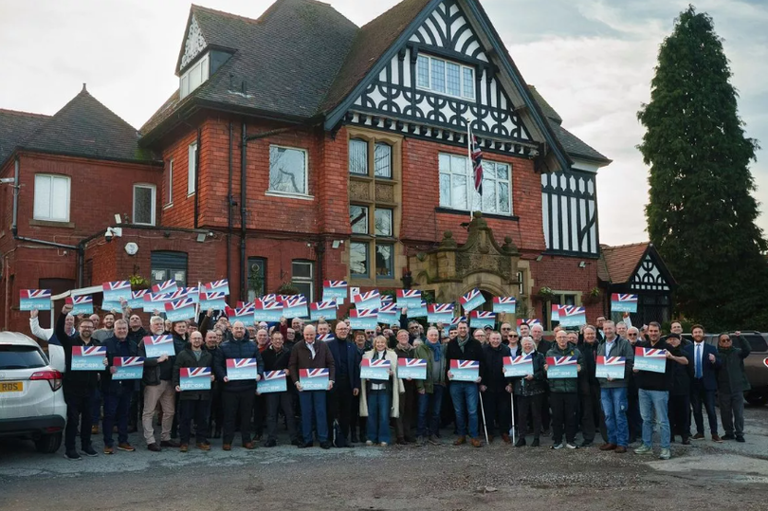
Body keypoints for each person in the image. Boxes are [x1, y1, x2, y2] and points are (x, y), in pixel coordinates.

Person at [56, 304, 104, 460]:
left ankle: (86, 445)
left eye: (90, 326)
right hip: (72, 388)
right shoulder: (71, 342)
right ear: (79, 327)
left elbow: (101, 366)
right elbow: (58, 332)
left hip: (90, 388)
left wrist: (104, 364)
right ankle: (70, 449)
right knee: (73, 420)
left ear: (93, 328)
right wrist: (63, 314)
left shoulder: (97, 345)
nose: (87, 329)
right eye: (84, 326)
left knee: (89, 419)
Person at [634, 322, 684, 460]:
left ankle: (665, 449)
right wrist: (635, 368)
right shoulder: (642, 347)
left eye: (656, 331)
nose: (653, 333)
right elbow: (637, 365)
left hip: (660, 390)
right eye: (651, 331)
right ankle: (647, 446)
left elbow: (685, 360)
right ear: (647, 332)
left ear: (660, 332)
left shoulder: (667, 347)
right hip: (643, 389)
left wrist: (672, 357)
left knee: (662, 421)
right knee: (646, 419)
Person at [213, 320, 264, 451]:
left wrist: (259, 373)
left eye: (241, 328)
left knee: (246, 416)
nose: (239, 330)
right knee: (229, 416)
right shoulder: (223, 346)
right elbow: (217, 364)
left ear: (244, 330)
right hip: (229, 388)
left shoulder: (252, 346)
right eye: (237, 328)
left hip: (248, 388)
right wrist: (222, 375)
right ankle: (227, 441)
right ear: (232, 330)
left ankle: (246, 440)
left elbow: (260, 362)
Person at [289, 324, 335, 449]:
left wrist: (331, 379)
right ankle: (307, 439)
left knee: (321, 412)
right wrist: (296, 381)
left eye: (311, 334)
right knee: (306, 412)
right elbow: (292, 365)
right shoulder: (297, 347)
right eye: (307, 335)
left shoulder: (323, 345)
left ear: (316, 334)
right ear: (303, 334)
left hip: (320, 385)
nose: (309, 337)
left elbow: (331, 363)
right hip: (304, 386)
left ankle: (323, 439)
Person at [138, 316, 179, 452]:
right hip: (153, 381)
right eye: (156, 324)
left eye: (161, 324)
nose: (159, 326)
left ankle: (165, 437)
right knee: (149, 411)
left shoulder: (169, 339)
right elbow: (140, 360)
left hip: (168, 381)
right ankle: (150, 440)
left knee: (169, 411)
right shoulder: (145, 341)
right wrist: (157, 360)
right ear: (150, 326)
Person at [596, 321, 634, 453]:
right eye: (605, 329)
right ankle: (611, 441)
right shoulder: (601, 344)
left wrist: (617, 376)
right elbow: (599, 365)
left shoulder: (624, 343)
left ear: (615, 329)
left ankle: (622, 442)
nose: (607, 331)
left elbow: (630, 363)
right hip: (604, 386)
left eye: (610, 328)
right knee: (608, 415)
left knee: (619, 414)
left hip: (619, 385)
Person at [101, 319, 138, 454]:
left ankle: (123, 441)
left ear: (127, 330)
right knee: (109, 415)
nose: (122, 331)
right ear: (114, 330)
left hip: (127, 386)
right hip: (111, 386)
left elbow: (138, 362)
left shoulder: (133, 345)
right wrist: (107, 369)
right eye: (119, 329)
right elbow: (99, 365)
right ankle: (108, 443)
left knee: (124, 415)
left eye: (124, 329)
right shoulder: (105, 344)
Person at [445, 320, 484, 447]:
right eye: (460, 328)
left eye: (464, 328)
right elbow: (448, 362)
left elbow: (482, 362)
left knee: (472, 410)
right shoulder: (451, 344)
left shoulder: (476, 343)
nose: (462, 330)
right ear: (457, 329)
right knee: (458, 410)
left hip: (471, 383)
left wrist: (480, 376)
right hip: (455, 382)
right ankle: (461, 435)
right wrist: (448, 373)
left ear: (468, 329)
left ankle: (474, 436)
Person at [173, 330, 213, 451]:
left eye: (199, 338)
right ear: (190, 340)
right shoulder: (183, 354)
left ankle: (200, 441)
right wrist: (176, 384)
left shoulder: (208, 355)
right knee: (185, 418)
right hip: (187, 392)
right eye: (194, 338)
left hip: (203, 393)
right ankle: (184, 442)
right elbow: (176, 369)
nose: (196, 340)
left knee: (202, 418)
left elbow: (212, 370)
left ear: (202, 340)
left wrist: (213, 376)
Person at [359, 335, 401, 446]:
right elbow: (362, 368)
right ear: (374, 344)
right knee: (371, 414)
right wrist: (365, 374)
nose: (380, 345)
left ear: (385, 343)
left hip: (384, 389)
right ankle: (371, 437)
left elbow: (396, 371)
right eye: (378, 343)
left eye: (382, 342)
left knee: (384, 415)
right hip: (372, 389)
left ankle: (384, 438)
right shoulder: (368, 355)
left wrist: (392, 373)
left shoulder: (392, 355)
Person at [545, 330, 583, 449]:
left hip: (571, 389)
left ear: (568, 339)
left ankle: (570, 441)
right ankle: (557, 441)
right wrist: (546, 368)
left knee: (571, 417)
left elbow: (583, 365)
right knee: (556, 417)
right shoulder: (550, 353)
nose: (562, 339)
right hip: (556, 390)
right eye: (559, 337)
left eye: (564, 337)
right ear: (555, 338)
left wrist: (580, 368)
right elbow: (545, 369)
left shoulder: (576, 351)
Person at [684, 324, 722, 442]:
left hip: (707, 383)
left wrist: (714, 360)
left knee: (710, 409)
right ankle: (700, 432)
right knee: (696, 409)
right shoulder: (687, 349)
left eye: (699, 332)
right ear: (692, 335)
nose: (697, 334)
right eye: (695, 332)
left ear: (703, 334)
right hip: (694, 383)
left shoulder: (711, 348)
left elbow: (719, 365)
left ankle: (714, 433)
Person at [261, 330, 299, 447]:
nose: (278, 341)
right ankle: (271, 438)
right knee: (271, 414)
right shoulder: (264, 354)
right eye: (275, 339)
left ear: (283, 341)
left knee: (289, 413)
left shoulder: (289, 353)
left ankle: (294, 438)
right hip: (270, 388)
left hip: (285, 388)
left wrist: (289, 370)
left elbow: (294, 366)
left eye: (280, 339)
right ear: (271, 340)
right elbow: (261, 370)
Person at [326, 321, 361, 447]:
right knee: (331, 412)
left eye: (345, 329)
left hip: (348, 385)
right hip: (333, 384)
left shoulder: (352, 347)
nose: (342, 331)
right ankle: (330, 439)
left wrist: (356, 385)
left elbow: (356, 368)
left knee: (347, 413)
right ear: (335, 331)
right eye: (340, 329)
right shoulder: (328, 345)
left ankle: (344, 438)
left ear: (348, 331)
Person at [716, 332, 750, 442]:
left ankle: (739, 433)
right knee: (725, 413)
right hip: (723, 388)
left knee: (738, 413)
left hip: (737, 388)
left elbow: (747, 350)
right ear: (720, 343)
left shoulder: (737, 353)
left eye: (728, 340)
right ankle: (728, 432)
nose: (726, 342)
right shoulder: (717, 354)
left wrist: (740, 337)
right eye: (723, 340)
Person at [481, 331, 513, 443]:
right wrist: (482, 383)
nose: (495, 341)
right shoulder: (483, 350)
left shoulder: (506, 349)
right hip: (488, 385)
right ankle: (490, 432)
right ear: (489, 339)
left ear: (501, 339)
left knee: (504, 410)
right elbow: (481, 367)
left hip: (502, 385)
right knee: (489, 410)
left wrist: (510, 383)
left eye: (497, 339)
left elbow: (510, 367)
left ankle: (504, 432)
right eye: (493, 339)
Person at [514, 337, 546, 447]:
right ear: (522, 345)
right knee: (521, 415)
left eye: (529, 344)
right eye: (525, 344)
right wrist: (507, 370)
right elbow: (513, 373)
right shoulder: (518, 357)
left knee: (536, 414)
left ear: (533, 344)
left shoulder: (540, 356)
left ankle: (536, 438)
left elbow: (544, 372)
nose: (527, 346)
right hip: (521, 390)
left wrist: (534, 376)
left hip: (536, 389)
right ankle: (521, 437)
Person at [577, 325, 605, 447]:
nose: (590, 336)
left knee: (603, 412)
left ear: (595, 334)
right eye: (587, 334)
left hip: (601, 384)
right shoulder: (579, 349)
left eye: (592, 334)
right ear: (584, 335)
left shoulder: (602, 347)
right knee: (587, 413)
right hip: (585, 384)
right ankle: (588, 438)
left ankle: (607, 438)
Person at [665, 333, 693, 444]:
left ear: (679, 340)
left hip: (682, 388)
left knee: (684, 414)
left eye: (674, 339)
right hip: (667, 388)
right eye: (670, 339)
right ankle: (670, 435)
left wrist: (672, 357)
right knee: (669, 413)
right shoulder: (662, 352)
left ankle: (685, 435)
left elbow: (688, 365)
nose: (672, 341)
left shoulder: (684, 353)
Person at [392, 329, 417, 443]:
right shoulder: (393, 352)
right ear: (397, 338)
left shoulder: (414, 351)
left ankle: (407, 433)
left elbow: (418, 366)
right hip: (399, 384)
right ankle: (400, 435)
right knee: (400, 409)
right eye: (401, 336)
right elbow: (392, 368)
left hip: (411, 384)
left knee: (409, 409)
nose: (403, 337)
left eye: (405, 335)